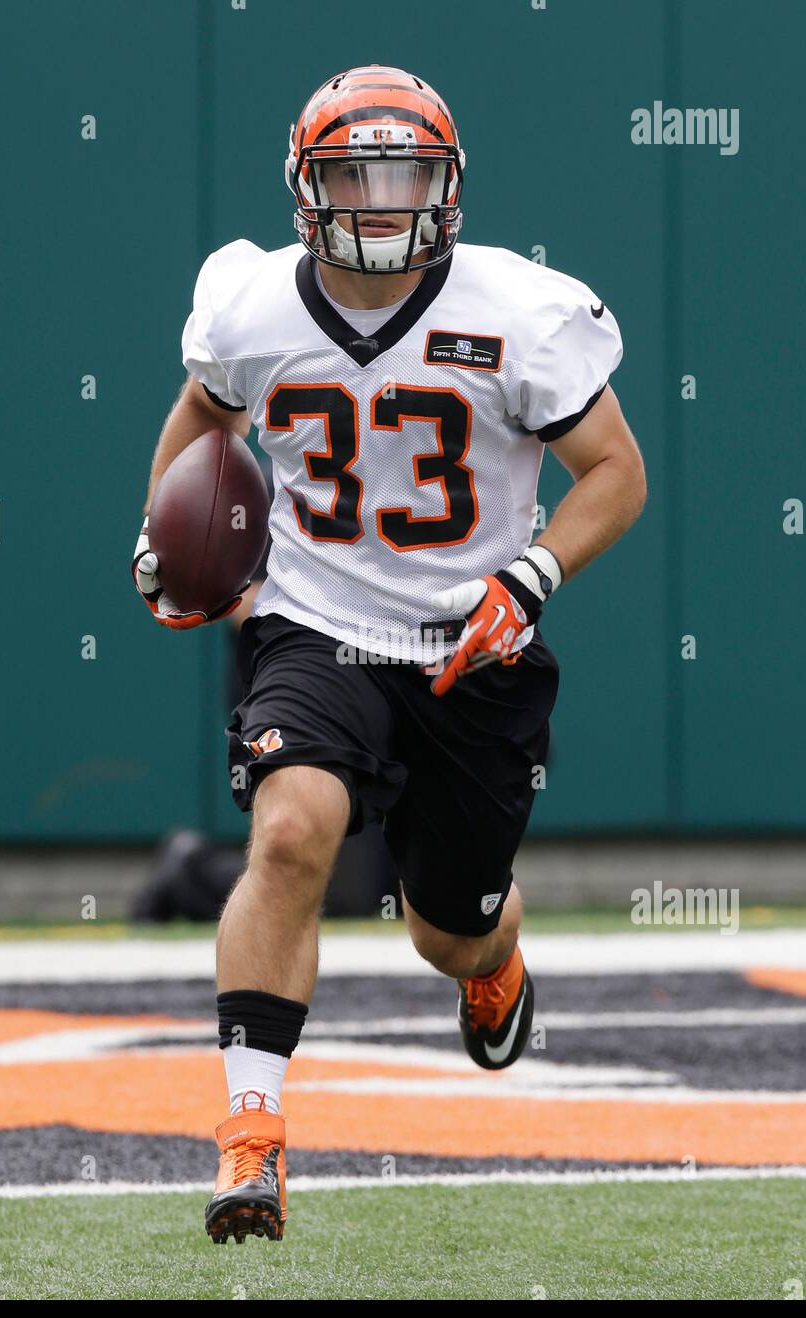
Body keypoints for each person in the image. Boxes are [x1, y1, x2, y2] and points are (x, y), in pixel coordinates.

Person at [132, 65, 646, 1243]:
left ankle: (493, 961)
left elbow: (616, 473)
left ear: (446, 184)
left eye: (400, 176)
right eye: (350, 178)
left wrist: (532, 575)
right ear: (305, 191)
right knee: (292, 824)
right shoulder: (253, 306)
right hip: (313, 624)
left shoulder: (519, 309)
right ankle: (250, 1142)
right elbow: (202, 420)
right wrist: (169, 534)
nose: (375, 204)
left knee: (444, 925)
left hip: (474, 647)